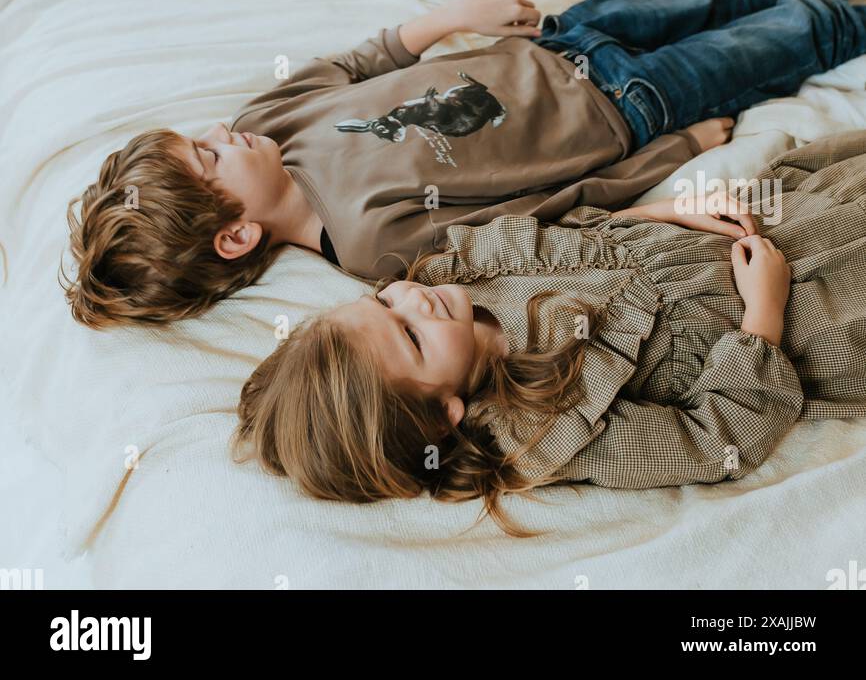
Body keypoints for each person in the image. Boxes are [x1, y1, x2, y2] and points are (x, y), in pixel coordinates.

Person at [63, 0, 866, 327]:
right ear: (235, 235)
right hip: (630, 106)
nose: (217, 131)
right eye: (207, 156)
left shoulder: (265, 122)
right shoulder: (379, 250)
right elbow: (549, 215)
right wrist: (676, 151)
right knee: (797, 31)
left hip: (564, 39)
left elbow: (362, 61)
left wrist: (452, 19)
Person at [233, 129, 866, 527]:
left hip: (762, 231)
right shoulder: (546, 426)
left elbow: (583, 234)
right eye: (411, 336)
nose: (414, 301)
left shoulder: (467, 269)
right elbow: (717, 439)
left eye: (384, 301)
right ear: (444, 415)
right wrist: (764, 314)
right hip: (803, 315)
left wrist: (669, 209)